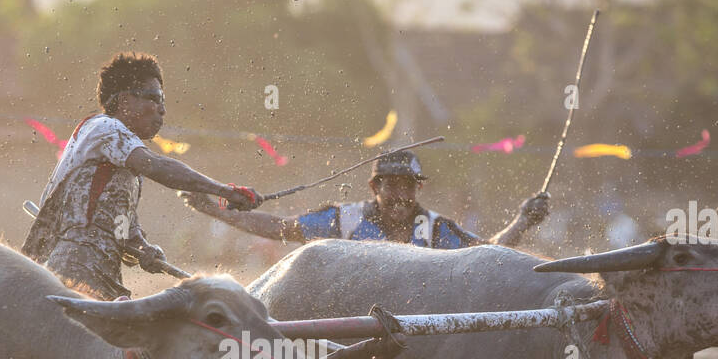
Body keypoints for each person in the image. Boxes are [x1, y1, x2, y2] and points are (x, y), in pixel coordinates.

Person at [21, 51, 264, 299]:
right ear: (125, 101)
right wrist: (225, 191)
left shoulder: (123, 167)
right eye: (153, 99)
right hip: (75, 270)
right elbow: (157, 165)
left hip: (102, 274)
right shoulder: (105, 128)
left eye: (163, 102)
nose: (162, 111)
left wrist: (144, 249)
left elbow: (121, 232)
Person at [178, 149, 549, 249]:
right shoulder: (345, 220)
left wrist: (522, 221)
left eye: (407, 186)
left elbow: (484, 254)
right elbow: (280, 229)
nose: (399, 195)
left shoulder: (435, 231)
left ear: (419, 189)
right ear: (375, 188)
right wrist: (214, 210)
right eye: (391, 186)